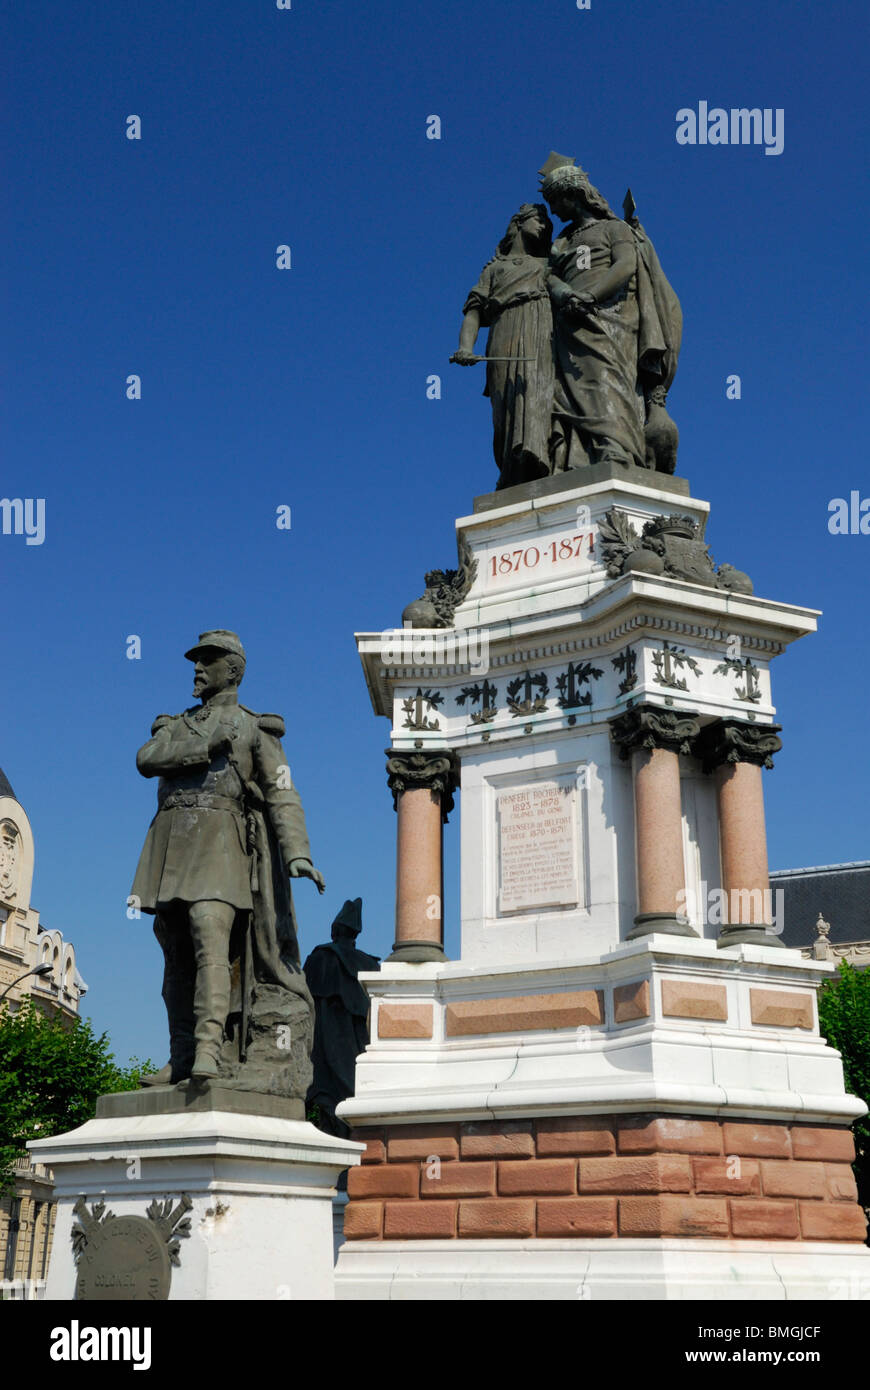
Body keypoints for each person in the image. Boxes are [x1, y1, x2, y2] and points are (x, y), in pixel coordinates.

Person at [130, 629, 325, 1084]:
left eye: (207, 661)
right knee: (175, 953)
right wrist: (204, 748)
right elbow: (146, 759)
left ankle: (208, 1050)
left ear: (232, 670)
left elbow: (282, 792)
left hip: (222, 843)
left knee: (209, 940)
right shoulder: (174, 725)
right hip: (169, 842)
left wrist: (297, 853)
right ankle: (180, 1055)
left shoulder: (256, 728)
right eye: (195, 661)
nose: (197, 668)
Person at [451, 203, 555, 489]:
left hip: (540, 331)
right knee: (504, 405)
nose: (544, 227)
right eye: (538, 220)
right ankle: (511, 467)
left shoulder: (549, 264)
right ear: (519, 223)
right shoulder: (495, 269)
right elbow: (473, 312)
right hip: (503, 332)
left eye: (547, 223)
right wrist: (465, 347)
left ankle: (537, 460)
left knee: (536, 392)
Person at [303, 898, 379, 1137]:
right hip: (359, 1045)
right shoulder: (370, 965)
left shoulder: (319, 958)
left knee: (315, 1096)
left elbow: (303, 999)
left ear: (334, 931)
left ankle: (314, 1129)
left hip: (322, 1043)